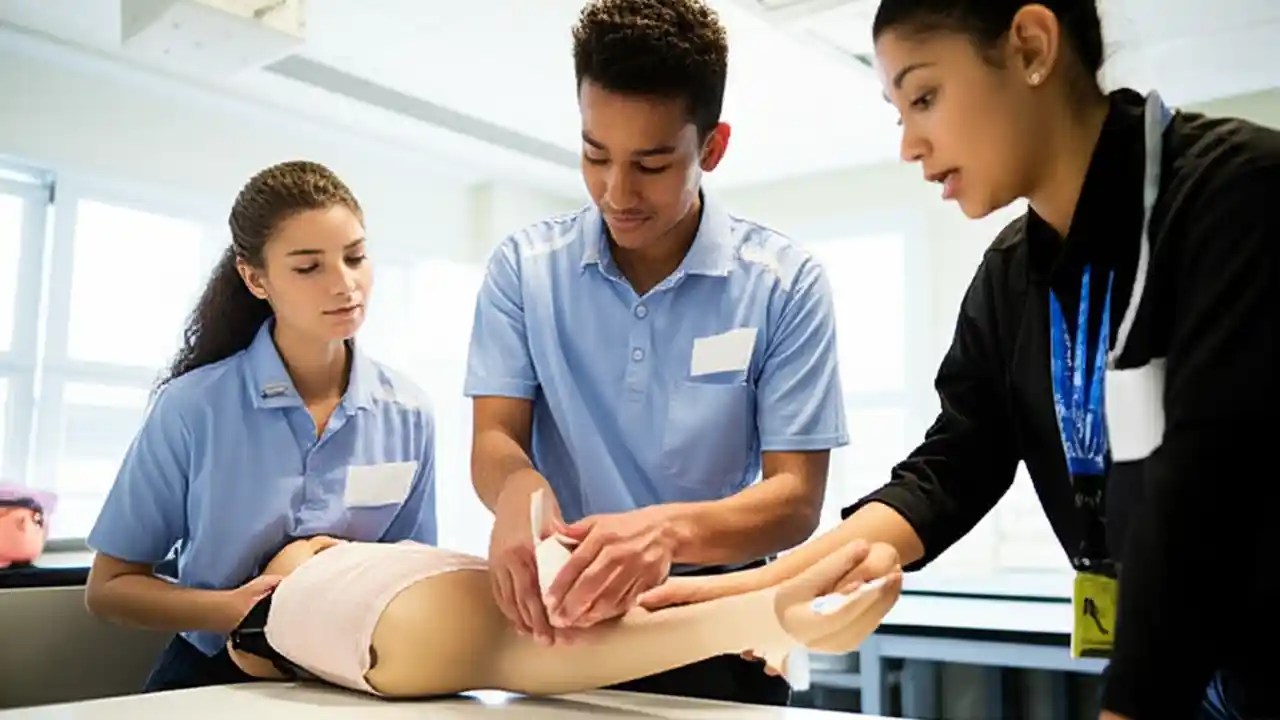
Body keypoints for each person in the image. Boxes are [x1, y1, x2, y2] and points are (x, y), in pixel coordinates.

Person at [639, 1, 1279, 718]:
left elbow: (1203, 498)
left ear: (1032, 46)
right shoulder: (1011, 276)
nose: (910, 144)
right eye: (899, 112)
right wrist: (761, 587)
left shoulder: (1238, 195)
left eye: (925, 97)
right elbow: (954, 464)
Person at [463, 0, 853, 706]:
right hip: (563, 634)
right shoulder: (524, 269)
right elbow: (495, 439)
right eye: (593, 154)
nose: (617, 192)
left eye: (650, 163)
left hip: (718, 628)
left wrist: (667, 534)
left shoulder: (784, 284)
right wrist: (518, 495)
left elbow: (797, 497)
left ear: (712, 147)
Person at [83, 160, 438, 693]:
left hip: (350, 678)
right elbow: (109, 588)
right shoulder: (192, 408)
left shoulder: (409, 412)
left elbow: (413, 574)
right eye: (308, 267)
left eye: (356, 256)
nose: (345, 284)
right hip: (209, 676)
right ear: (256, 278)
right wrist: (231, 610)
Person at [223, 532, 902, 698]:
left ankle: (761, 613)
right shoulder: (319, 568)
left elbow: (253, 649)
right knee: (592, 627)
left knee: (532, 650)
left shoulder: (275, 610)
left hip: (408, 617)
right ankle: (763, 611)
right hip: (441, 587)